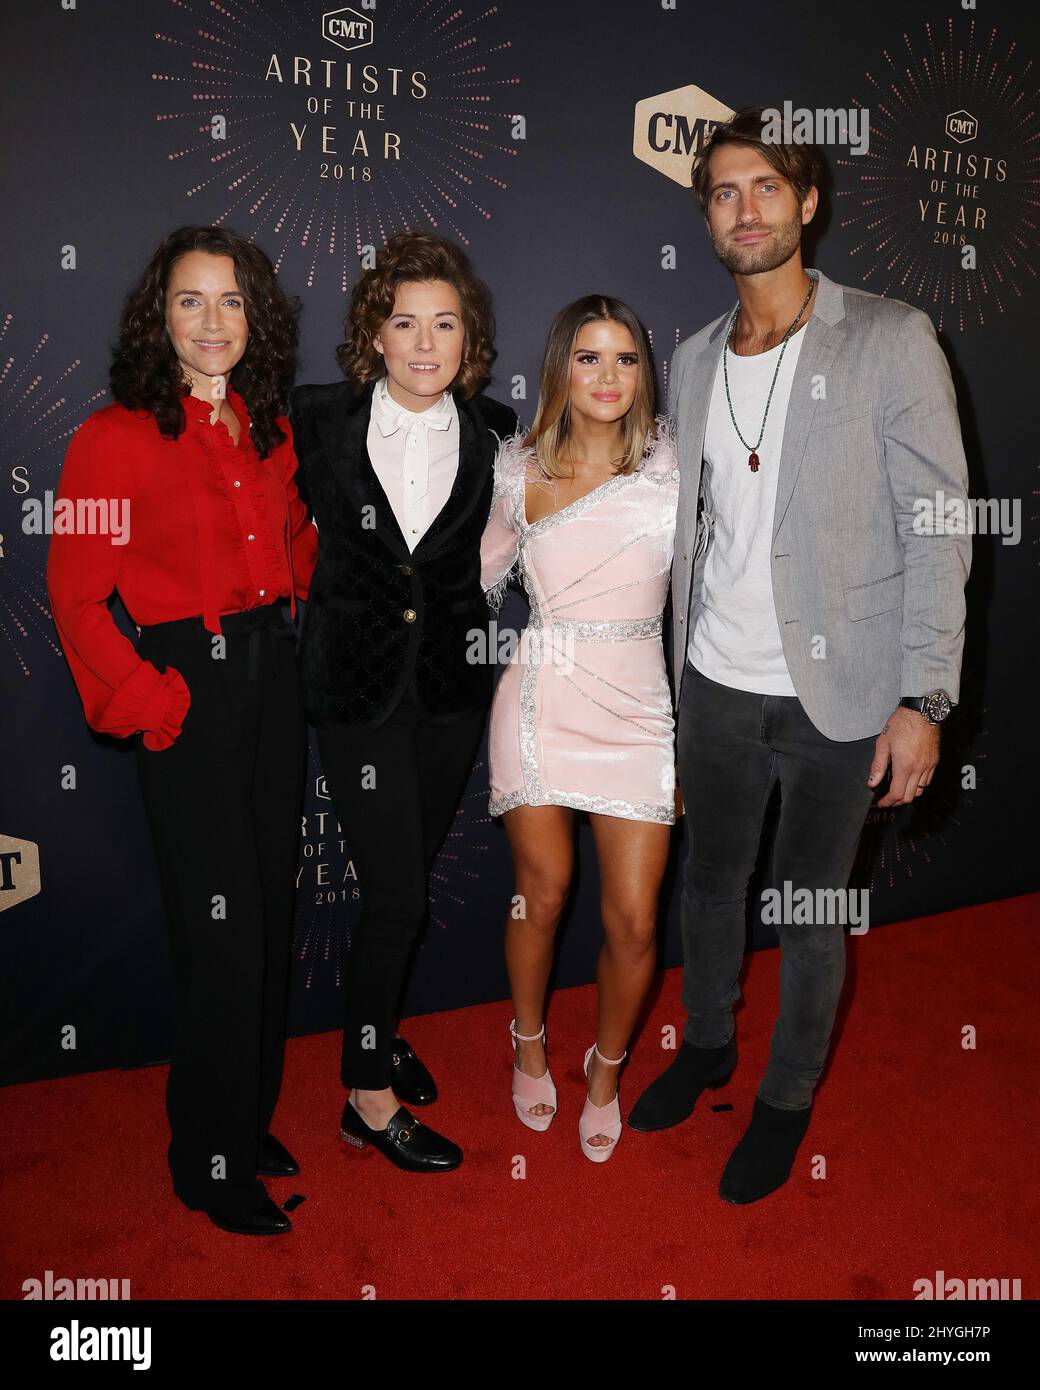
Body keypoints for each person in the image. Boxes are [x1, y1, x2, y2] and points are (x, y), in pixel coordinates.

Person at [628, 107, 972, 1203]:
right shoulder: (691, 358)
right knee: (709, 887)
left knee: (810, 910)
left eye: (766, 187)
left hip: (845, 693)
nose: (746, 210)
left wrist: (923, 697)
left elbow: (938, 523)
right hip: (715, 684)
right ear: (706, 216)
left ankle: (784, 1101)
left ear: (808, 202)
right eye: (724, 193)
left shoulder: (889, 336)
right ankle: (708, 1045)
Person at [47, 226, 318, 1235]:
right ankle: (207, 1159)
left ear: (257, 316)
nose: (212, 321)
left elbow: (299, 546)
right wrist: (152, 700)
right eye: (190, 301)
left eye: (231, 300)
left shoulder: (269, 426)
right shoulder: (109, 438)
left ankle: (244, 1120)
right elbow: (75, 598)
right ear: (157, 318)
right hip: (187, 691)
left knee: (271, 919)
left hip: (272, 679)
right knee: (223, 933)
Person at [290, 230, 517, 1174]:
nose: (426, 343)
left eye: (446, 324)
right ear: (373, 334)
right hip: (356, 690)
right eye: (405, 322)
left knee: (406, 886)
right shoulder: (313, 419)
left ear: (470, 337)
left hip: (450, 693)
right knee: (396, 897)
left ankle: (378, 1031)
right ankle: (365, 1097)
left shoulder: (499, 430)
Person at [480, 296, 681, 1162]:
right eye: (589, 358)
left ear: (644, 372)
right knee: (544, 892)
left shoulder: (676, 463)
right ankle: (528, 1041)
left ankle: (606, 1068)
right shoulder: (515, 467)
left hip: (640, 710)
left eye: (625, 358)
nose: (607, 377)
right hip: (541, 700)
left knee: (633, 922)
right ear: (561, 366)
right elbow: (465, 574)